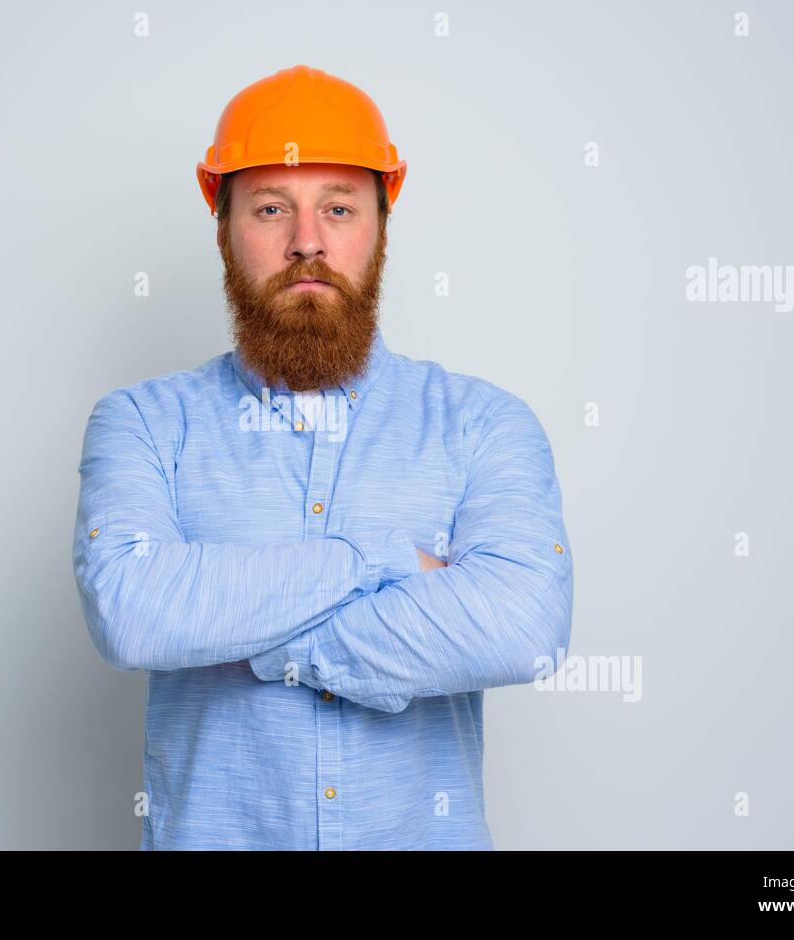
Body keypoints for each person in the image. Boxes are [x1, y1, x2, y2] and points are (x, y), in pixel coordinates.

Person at [73, 64, 574, 850]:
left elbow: (521, 629)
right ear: (222, 228)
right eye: (271, 208)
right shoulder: (142, 422)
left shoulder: (484, 425)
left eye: (338, 208)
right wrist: (382, 559)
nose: (307, 242)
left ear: (380, 224)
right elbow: (133, 613)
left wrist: (228, 623)